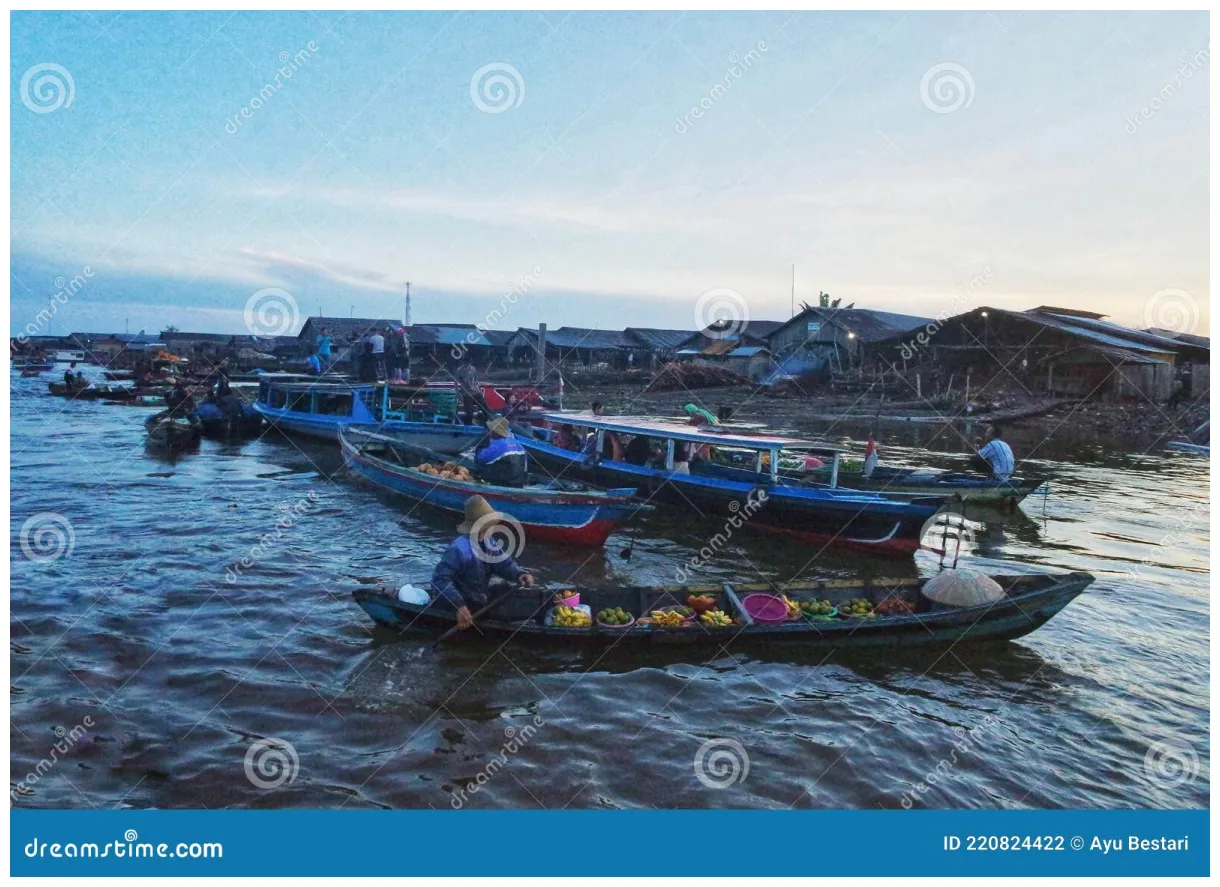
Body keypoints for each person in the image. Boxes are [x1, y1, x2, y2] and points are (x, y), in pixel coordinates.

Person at [431, 495, 536, 630]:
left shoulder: (489, 541)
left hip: (479, 596)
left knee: (503, 589)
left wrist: (519, 574)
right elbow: (440, 580)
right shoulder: (459, 549)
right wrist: (459, 606)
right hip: (461, 601)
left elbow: (503, 562)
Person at [474, 417, 529, 487]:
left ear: (494, 432)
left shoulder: (496, 446)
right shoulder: (517, 443)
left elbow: (480, 457)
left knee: (480, 465)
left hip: (505, 482)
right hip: (520, 481)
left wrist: (481, 445)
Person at [455, 358, 480, 425]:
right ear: (463, 362)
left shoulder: (473, 369)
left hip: (474, 392)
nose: (467, 363)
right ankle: (468, 423)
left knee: (483, 404)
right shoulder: (459, 370)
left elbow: (476, 381)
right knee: (469, 411)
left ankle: (486, 419)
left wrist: (478, 389)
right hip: (465, 393)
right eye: (465, 361)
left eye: (468, 361)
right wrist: (458, 393)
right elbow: (456, 382)